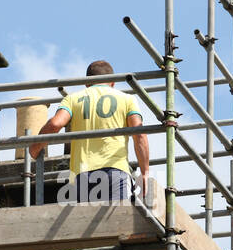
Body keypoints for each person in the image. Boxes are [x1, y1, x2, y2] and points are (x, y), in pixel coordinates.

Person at [28, 60, 150, 204]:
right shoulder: (127, 99)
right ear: (112, 83)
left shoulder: (73, 99)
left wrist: (35, 147)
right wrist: (145, 173)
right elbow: (140, 134)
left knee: (85, 224)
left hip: (82, 176)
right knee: (119, 223)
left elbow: (55, 123)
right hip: (116, 171)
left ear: (86, 83)